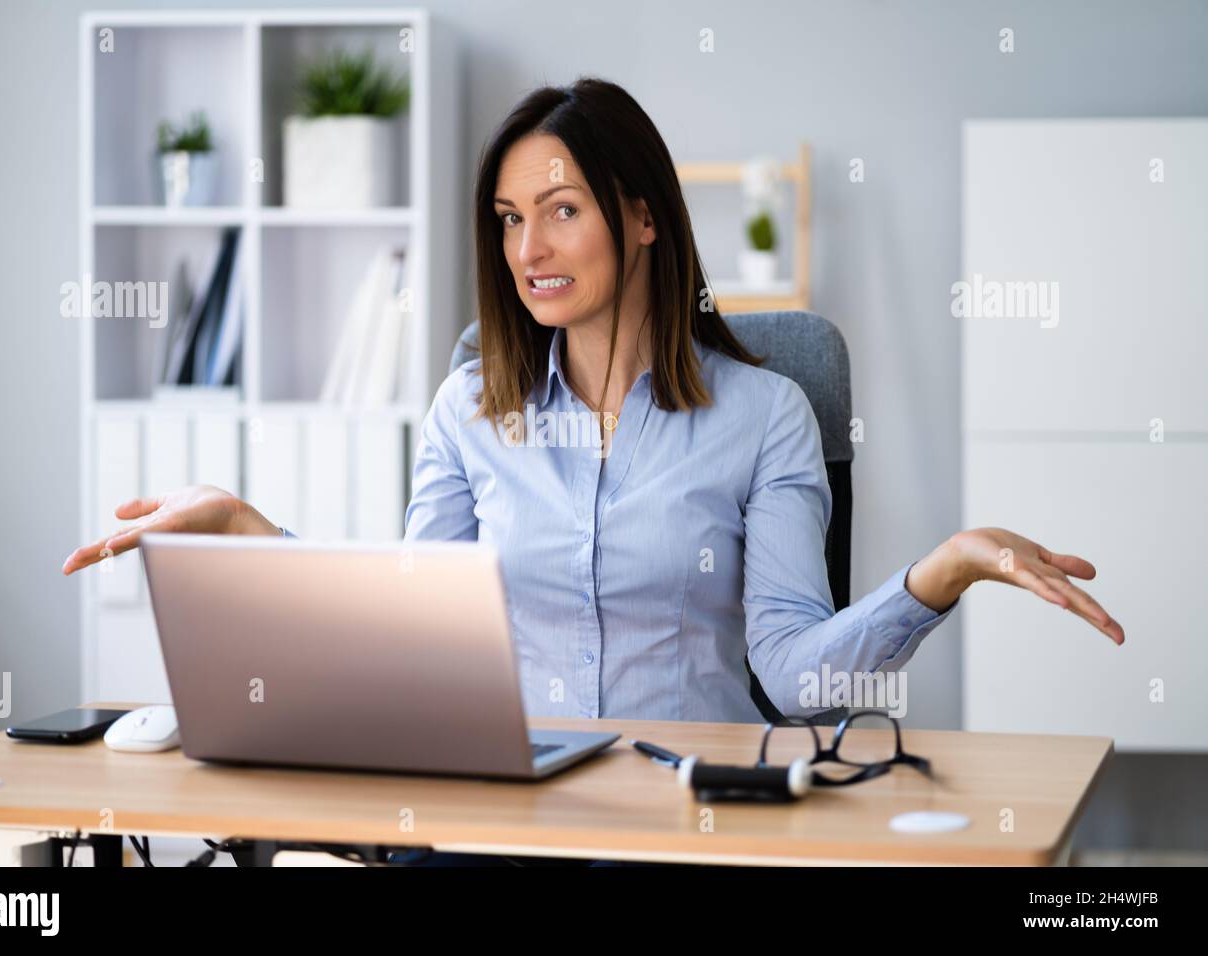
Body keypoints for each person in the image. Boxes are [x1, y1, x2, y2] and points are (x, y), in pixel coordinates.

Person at [62, 77, 1123, 865]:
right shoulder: (471, 415)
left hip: (691, 826)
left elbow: (799, 679)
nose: (530, 248)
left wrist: (939, 571)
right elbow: (406, 627)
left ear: (644, 215)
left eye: (561, 208)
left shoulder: (765, 415)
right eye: (512, 219)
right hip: (495, 821)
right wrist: (249, 531)